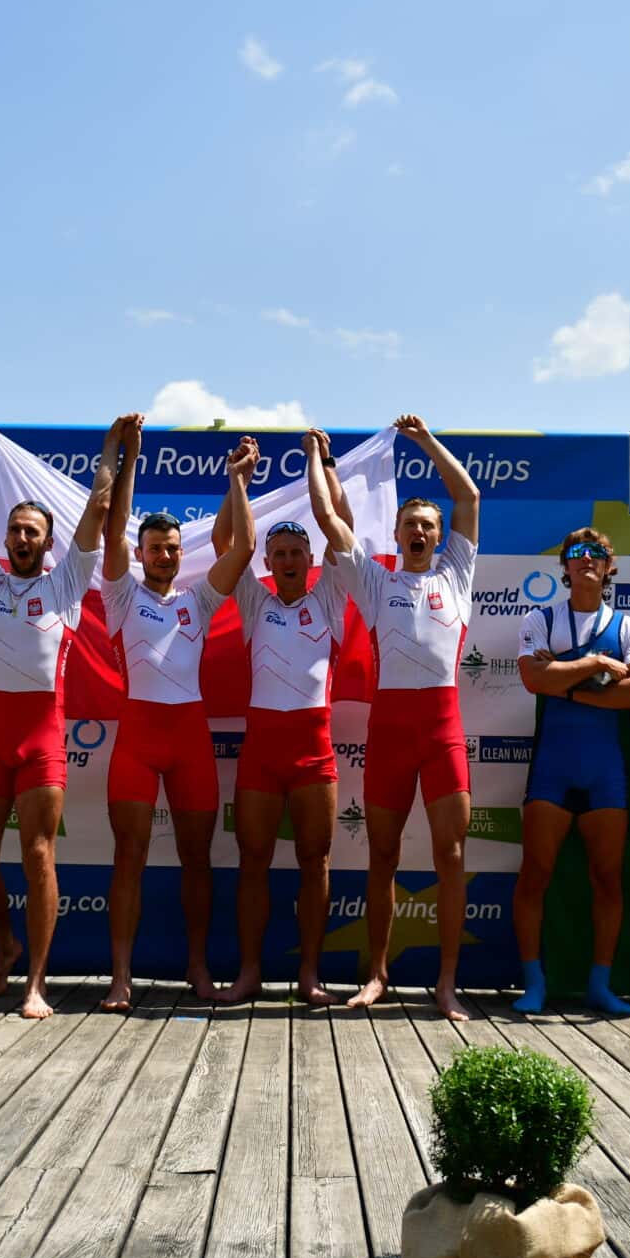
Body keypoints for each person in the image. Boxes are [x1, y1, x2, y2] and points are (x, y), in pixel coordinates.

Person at [0, 416, 119, 1019]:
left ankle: (36, 981)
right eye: (13, 529)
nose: (19, 537)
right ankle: (5, 945)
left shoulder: (67, 582)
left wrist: (113, 444)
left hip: (40, 741)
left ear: (46, 540)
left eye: (30, 531)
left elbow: (99, 505)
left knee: (38, 855)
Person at [319, 414, 480, 1022]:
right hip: (389, 731)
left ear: (440, 536)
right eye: (411, 524)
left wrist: (425, 442)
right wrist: (325, 464)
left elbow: (468, 495)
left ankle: (446, 984)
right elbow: (334, 522)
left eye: (428, 525)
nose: (420, 531)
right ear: (396, 532)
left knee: (452, 857)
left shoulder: (457, 572)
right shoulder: (375, 579)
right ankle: (376, 974)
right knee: (380, 855)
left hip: (440, 731)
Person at [99, 423, 256, 1009]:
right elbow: (114, 527)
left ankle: (197, 965)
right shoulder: (120, 594)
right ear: (140, 554)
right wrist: (130, 456)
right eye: (154, 548)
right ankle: (120, 976)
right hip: (139, 736)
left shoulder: (199, 599)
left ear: (180, 555)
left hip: (190, 736)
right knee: (129, 858)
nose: (163, 556)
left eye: (171, 549)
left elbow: (242, 550)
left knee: (198, 858)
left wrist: (236, 481)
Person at [212, 429, 353, 1006]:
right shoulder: (255, 601)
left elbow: (338, 523)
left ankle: (309, 975)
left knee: (315, 861)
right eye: (280, 554)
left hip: (314, 753)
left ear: (310, 561)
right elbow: (227, 539)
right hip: (262, 754)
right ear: (268, 563)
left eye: (298, 553)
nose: (290, 560)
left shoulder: (331, 597)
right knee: (253, 862)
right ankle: (249, 973)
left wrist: (321, 463)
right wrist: (238, 480)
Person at [511, 528, 630, 1016]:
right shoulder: (540, 617)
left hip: (605, 770)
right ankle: (534, 983)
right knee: (535, 875)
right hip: (552, 766)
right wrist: (593, 664)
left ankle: (600, 984)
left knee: (607, 879)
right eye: (576, 554)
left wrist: (564, 681)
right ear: (565, 567)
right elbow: (532, 678)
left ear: (609, 567)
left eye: (596, 554)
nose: (586, 560)